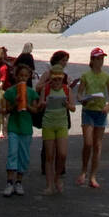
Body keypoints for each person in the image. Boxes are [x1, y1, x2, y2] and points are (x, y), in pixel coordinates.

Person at [75, 48, 109, 189]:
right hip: (88, 111)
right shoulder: (85, 75)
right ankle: (83, 171)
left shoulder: (106, 76)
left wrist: (108, 106)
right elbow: (79, 94)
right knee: (88, 143)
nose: (100, 61)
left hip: (100, 112)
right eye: (98, 59)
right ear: (92, 60)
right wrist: (82, 100)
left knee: (97, 145)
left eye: (102, 59)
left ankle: (93, 176)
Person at [1, 62, 39, 196]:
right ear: (16, 76)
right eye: (20, 76)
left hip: (26, 127)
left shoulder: (32, 93)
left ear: (29, 77)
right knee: (12, 152)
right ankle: (9, 181)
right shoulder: (10, 92)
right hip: (13, 126)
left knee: (24, 155)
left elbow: (35, 110)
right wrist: (15, 103)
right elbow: (5, 110)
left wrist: (27, 105)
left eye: (25, 76)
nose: (23, 78)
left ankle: (19, 181)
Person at [38, 64, 75, 194]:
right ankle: (49, 185)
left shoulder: (66, 90)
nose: (56, 83)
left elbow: (73, 107)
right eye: (54, 80)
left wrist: (67, 104)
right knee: (49, 155)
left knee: (62, 154)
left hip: (61, 124)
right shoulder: (46, 89)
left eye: (59, 80)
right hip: (48, 123)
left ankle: (57, 177)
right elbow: (39, 106)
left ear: (62, 79)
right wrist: (44, 103)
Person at [38, 50, 70, 175]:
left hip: (62, 109)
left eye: (66, 61)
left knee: (61, 143)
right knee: (48, 144)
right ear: (56, 61)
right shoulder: (48, 73)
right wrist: (49, 83)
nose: (65, 63)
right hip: (49, 111)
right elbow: (38, 87)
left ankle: (60, 168)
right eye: (63, 60)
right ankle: (46, 168)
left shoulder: (64, 74)